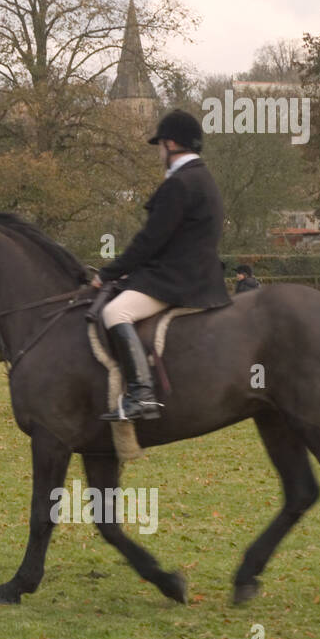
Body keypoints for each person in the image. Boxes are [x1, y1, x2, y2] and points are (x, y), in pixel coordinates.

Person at [91, 110, 231, 420]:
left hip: (179, 279)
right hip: (198, 273)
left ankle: (141, 394)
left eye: (160, 146)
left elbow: (149, 240)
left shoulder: (179, 184)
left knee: (116, 312)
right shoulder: (202, 177)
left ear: (170, 144)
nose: (159, 153)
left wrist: (108, 273)